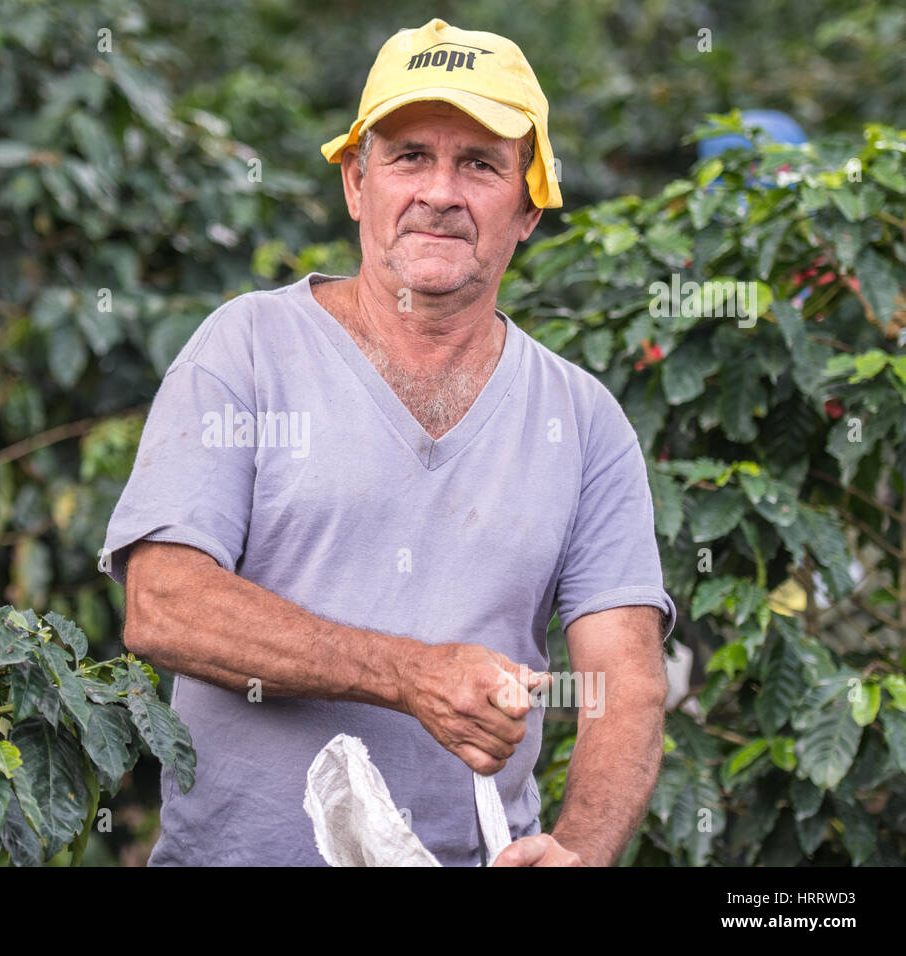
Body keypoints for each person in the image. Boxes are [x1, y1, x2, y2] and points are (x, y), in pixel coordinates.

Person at [101, 18, 675, 866]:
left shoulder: (584, 421)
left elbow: (624, 682)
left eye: (480, 164)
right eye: (409, 156)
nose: (440, 191)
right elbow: (164, 603)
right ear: (356, 183)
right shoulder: (247, 349)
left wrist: (577, 852)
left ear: (528, 211)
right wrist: (407, 676)